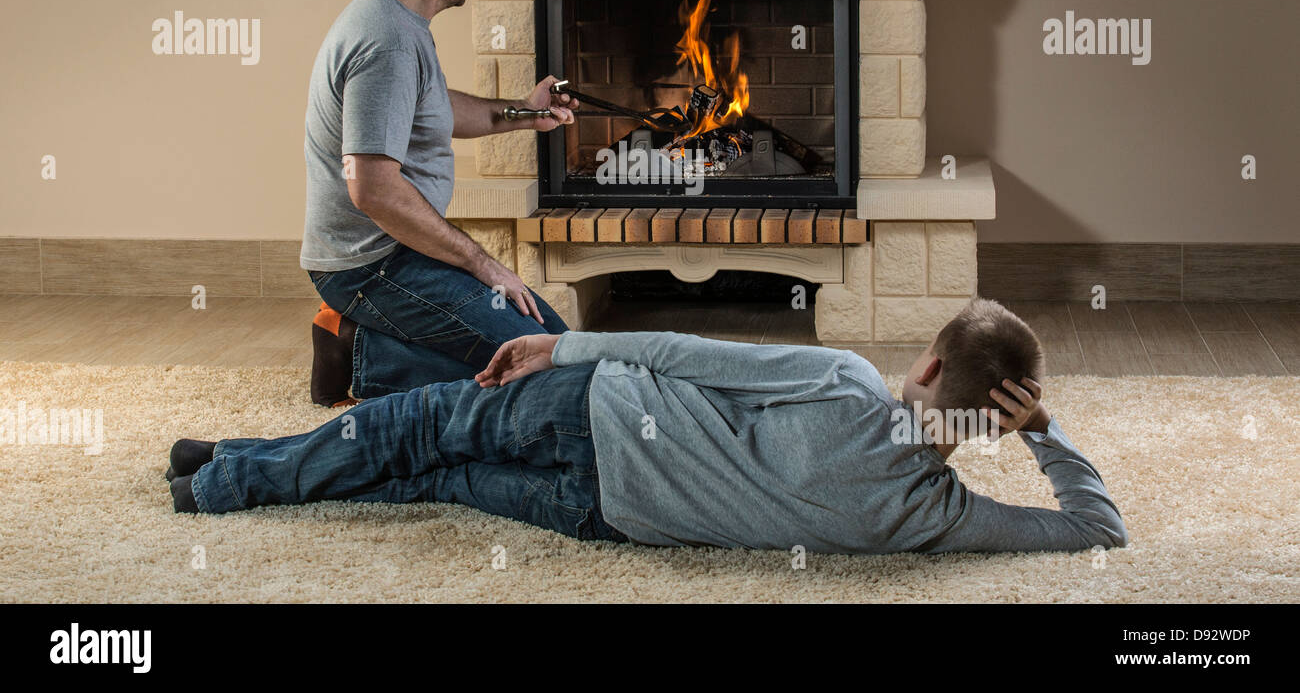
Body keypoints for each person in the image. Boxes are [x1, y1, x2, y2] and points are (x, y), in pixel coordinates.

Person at [165, 299, 1129, 555]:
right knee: (439, 477)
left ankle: (224, 480)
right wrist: (1044, 432)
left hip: (602, 415)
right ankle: (234, 461)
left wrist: (568, 345)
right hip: (604, 514)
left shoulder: (843, 382)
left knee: (421, 423)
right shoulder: (938, 519)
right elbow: (1096, 529)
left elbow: (691, 353)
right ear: (995, 422)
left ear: (924, 364)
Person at [300, 0, 579, 407]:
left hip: (400, 250)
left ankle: (360, 339)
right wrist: (481, 262)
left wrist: (526, 112)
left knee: (550, 347)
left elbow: (434, 109)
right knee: (548, 361)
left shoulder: (396, 20)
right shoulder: (388, 44)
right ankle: (358, 350)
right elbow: (373, 190)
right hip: (372, 263)